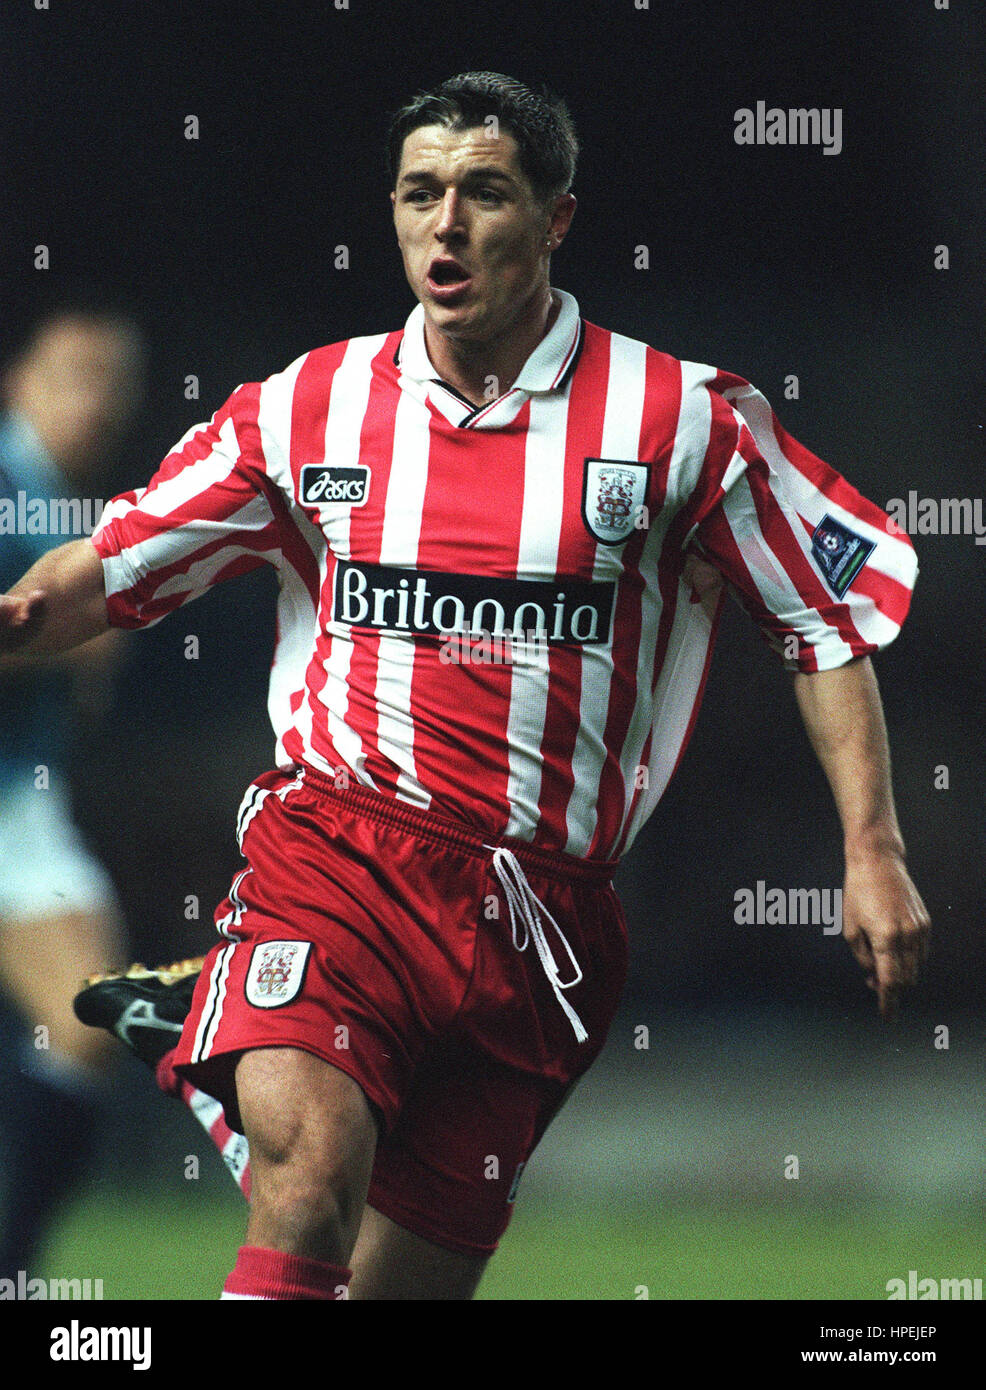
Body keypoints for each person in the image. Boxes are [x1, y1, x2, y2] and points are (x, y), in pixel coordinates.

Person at [3, 73, 930, 1301]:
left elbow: (821, 621)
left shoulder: (682, 420)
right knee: (308, 1178)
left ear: (554, 220)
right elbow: (95, 578)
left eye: (483, 193)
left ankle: (216, 1035)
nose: (445, 223)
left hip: (543, 923)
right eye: (418, 193)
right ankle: (252, 1041)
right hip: (337, 854)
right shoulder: (305, 407)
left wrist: (871, 847)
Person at [0, 302, 144, 1278]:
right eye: (70, 375)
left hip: (21, 806)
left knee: (86, 1022)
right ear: (17, 382)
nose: (90, 401)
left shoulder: (70, 506)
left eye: (110, 381)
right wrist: (74, 641)